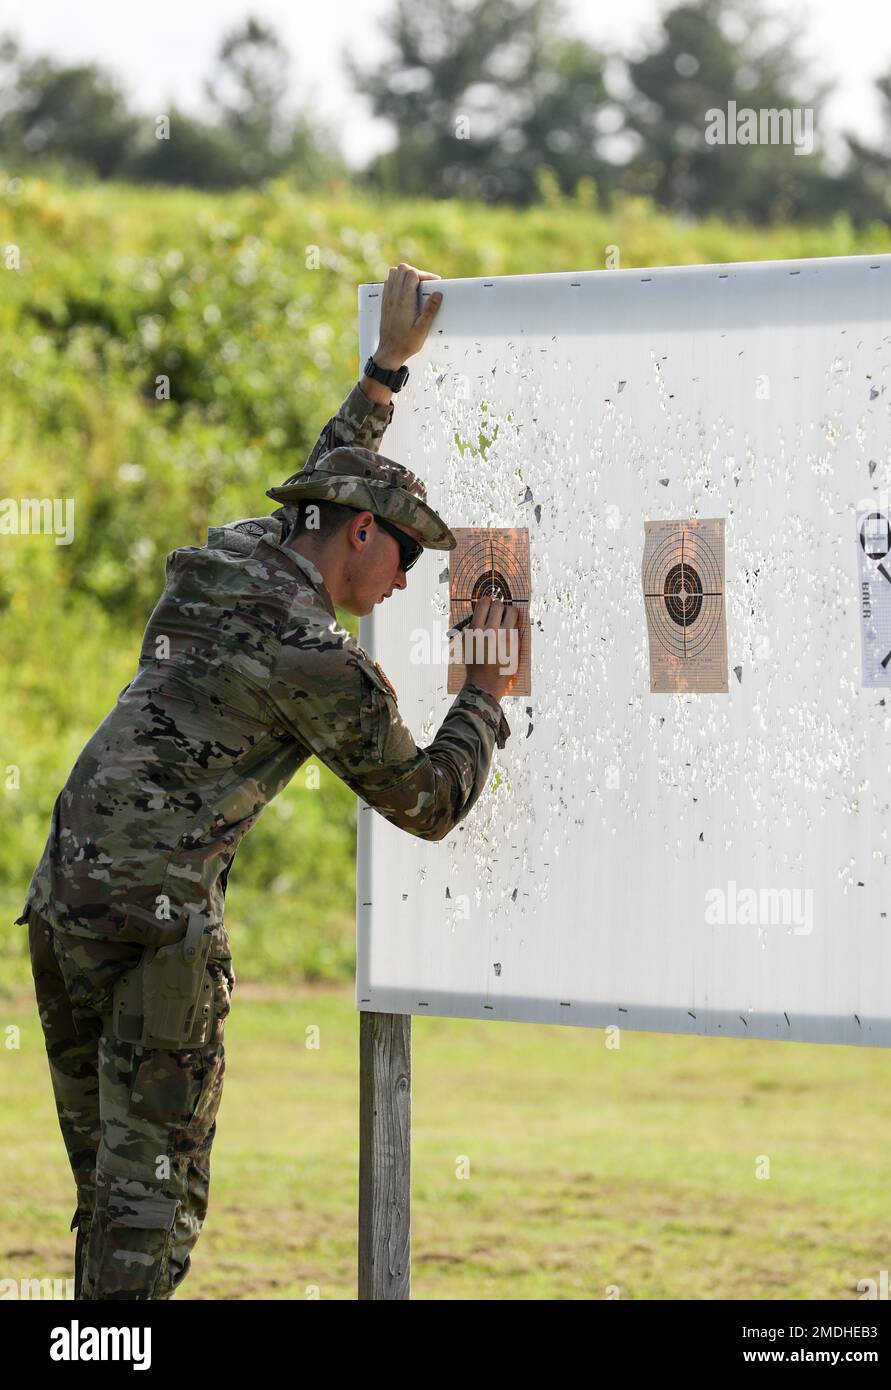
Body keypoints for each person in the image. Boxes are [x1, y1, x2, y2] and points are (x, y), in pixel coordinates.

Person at [17, 262, 520, 1299]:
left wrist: (384, 373)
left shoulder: (238, 557)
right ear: (364, 533)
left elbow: (320, 477)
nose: (405, 584)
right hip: (157, 932)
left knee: (108, 1187)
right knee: (150, 1205)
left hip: (64, 898)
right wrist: (484, 694)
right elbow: (425, 801)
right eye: (405, 560)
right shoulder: (319, 662)